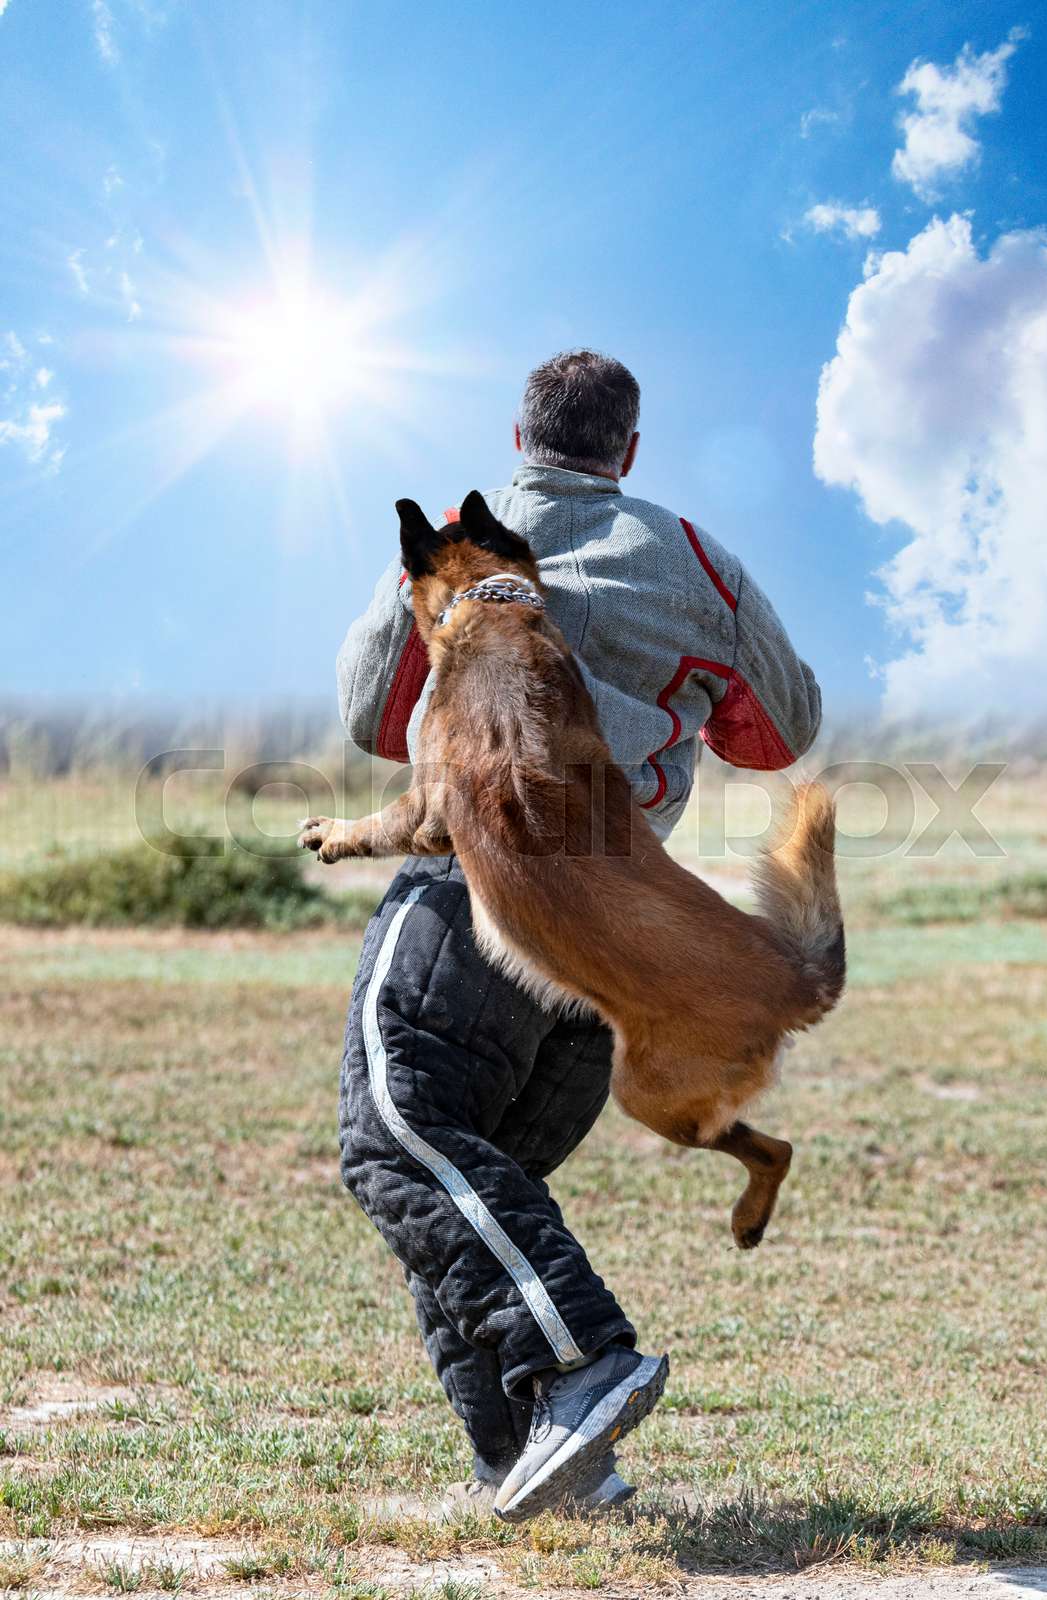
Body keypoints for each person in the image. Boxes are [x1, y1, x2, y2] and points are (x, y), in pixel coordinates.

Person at [334, 350, 821, 1520]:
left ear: (518, 435)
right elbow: (782, 731)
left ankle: (585, 1360)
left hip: (485, 898)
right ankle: (534, 1463)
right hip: (619, 940)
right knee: (466, 1180)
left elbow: (367, 715)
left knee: (394, 1141)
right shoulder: (703, 563)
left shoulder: (462, 554)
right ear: (630, 452)